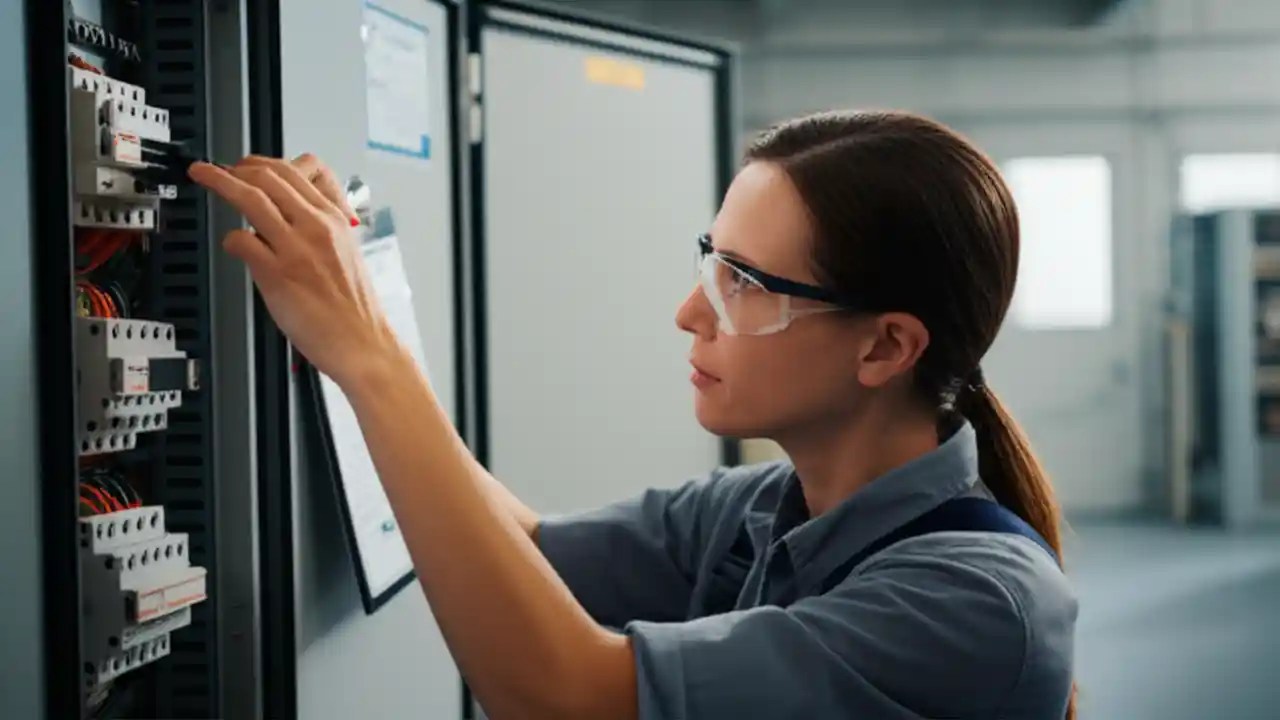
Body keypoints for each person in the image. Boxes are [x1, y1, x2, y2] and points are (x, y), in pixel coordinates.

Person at [191, 109, 1077, 720]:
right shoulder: (767, 506)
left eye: (746, 285)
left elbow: (569, 698)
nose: (692, 313)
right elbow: (529, 552)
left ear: (886, 348)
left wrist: (374, 363)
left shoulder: (979, 602)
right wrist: (365, 326)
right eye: (711, 263)